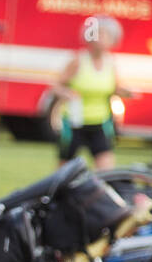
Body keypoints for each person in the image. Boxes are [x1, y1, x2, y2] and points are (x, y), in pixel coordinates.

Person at [50, 15, 129, 170]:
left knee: (106, 171)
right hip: (74, 123)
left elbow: (115, 88)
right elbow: (56, 86)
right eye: (97, 34)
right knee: (64, 173)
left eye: (103, 34)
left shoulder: (111, 63)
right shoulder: (78, 60)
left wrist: (125, 92)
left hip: (100, 123)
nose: (99, 38)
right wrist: (66, 93)